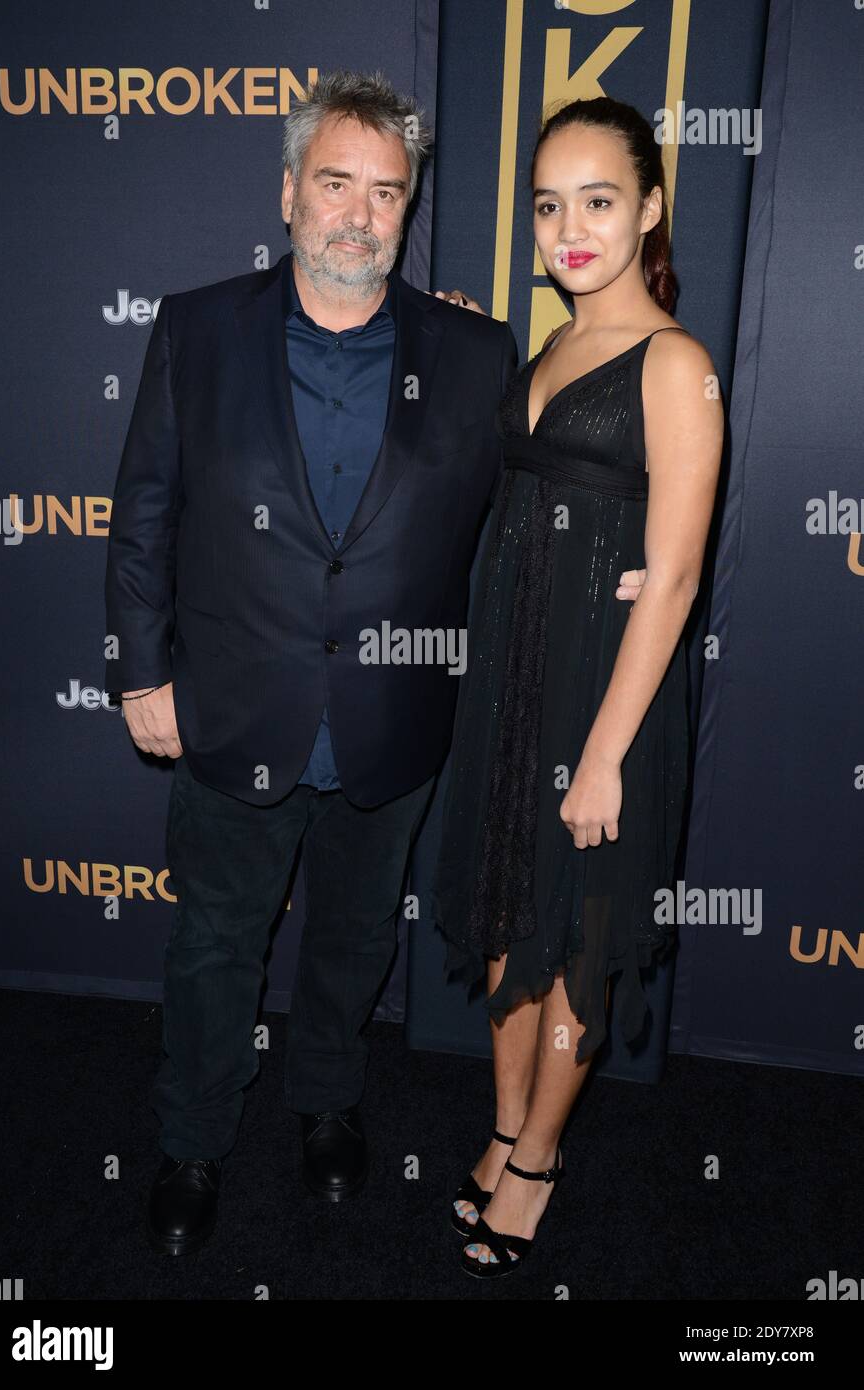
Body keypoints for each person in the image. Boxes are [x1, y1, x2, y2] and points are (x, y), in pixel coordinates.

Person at [104, 70, 650, 1258]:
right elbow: (142, 509)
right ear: (290, 188)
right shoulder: (197, 328)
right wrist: (142, 675)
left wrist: (638, 567)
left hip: (390, 719)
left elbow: (539, 501)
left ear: (408, 210)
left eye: (385, 193)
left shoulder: (471, 348)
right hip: (233, 707)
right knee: (213, 946)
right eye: (336, 183)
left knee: (353, 941)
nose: (357, 214)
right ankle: (192, 1138)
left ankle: (325, 1105)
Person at [430, 96, 724, 1277]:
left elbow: (675, 573)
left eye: (597, 201)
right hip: (507, 678)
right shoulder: (543, 345)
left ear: (648, 206)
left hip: (605, 696)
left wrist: (604, 750)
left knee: (578, 936)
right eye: (549, 206)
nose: (569, 230)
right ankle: (504, 1126)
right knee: (505, 918)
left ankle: (540, 1159)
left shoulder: (677, 362)